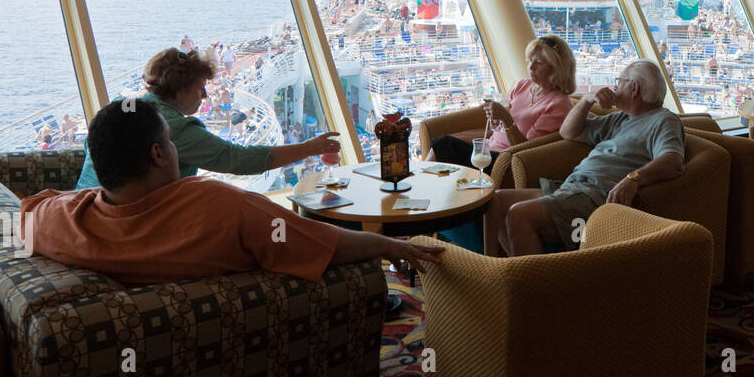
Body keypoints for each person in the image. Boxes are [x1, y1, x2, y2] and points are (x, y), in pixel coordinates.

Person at [22, 101, 441, 286]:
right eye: (169, 141)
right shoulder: (223, 208)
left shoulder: (55, 220)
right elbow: (326, 245)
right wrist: (389, 245)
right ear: (157, 154)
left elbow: (30, 207)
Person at [486, 59, 684, 257]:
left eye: (619, 82)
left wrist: (633, 179)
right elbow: (568, 132)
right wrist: (587, 100)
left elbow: (673, 161)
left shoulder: (663, 120)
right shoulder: (621, 118)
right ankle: (508, 272)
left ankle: (532, 283)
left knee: (519, 214)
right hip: (573, 187)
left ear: (633, 88)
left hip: (595, 196)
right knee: (496, 201)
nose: (614, 87)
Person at [74, 48, 340, 190]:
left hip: (85, 207)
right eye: (200, 87)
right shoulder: (171, 127)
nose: (204, 95)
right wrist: (310, 148)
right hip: (130, 223)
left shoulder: (121, 108)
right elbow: (239, 159)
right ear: (180, 89)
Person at [427, 35, 575, 171]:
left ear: (557, 68)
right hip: (489, 151)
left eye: (539, 62)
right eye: (530, 60)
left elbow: (526, 152)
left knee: (442, 144)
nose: (531, 67)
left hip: (507, 162)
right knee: (440, 146)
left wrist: (505, 117)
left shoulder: (559, 105)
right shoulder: (522, 85)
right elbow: (498, 128)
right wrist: (495, 118)